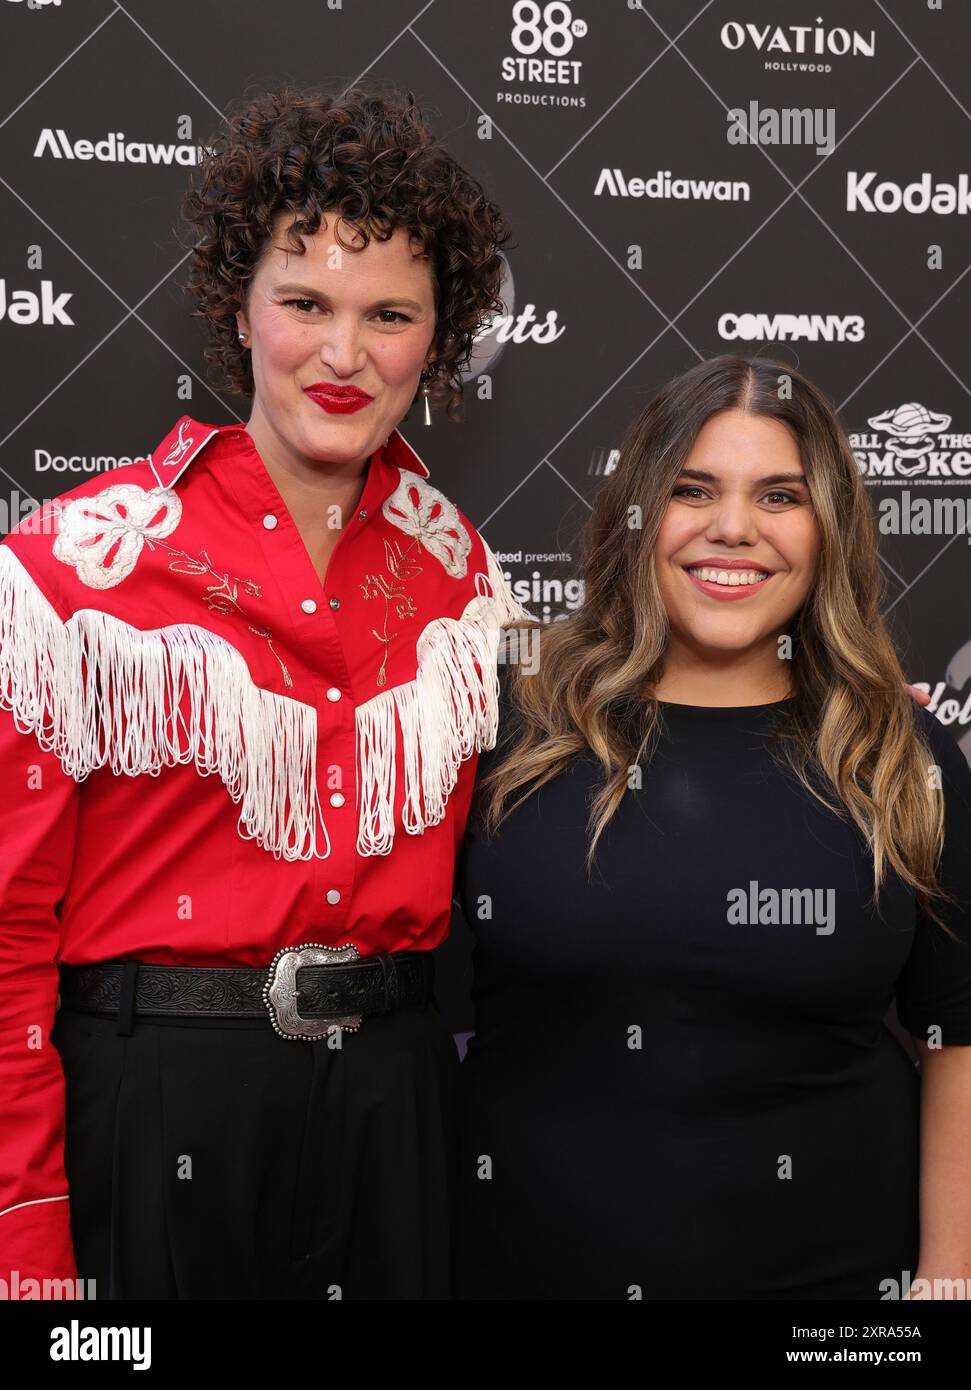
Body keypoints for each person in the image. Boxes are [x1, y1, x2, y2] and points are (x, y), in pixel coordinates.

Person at [0, 82, 530, 1300]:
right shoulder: (77, 567)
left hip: (393, 1107)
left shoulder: (459, 572)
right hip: (156, 1099)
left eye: (389, 314)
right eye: (304, 303)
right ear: (238, 311)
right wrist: (25, 1229)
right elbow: (10, 932)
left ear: (438, 340)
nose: (343, 355)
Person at [453, 355, 971, 1300]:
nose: (732, 528)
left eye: (779, 495)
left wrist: (947, 1287)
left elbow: (961, 1045)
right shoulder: (505, 732)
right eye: (693, 490)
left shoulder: (903, 757)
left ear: (827, 530)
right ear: (640, 516)